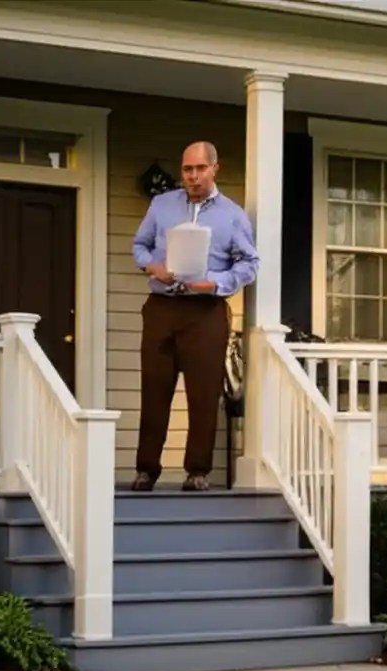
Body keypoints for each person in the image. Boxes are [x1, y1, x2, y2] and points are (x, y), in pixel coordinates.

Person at [130, 141, 259, 491]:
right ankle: (146, 470)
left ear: (214, 169)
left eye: (200, 168)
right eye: (187, 169)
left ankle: (197, 472)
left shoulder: (232, 214)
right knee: (154, 389)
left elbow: (249, 263)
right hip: (162, 309)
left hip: (205, 311)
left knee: (202, 395)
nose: (193, 176)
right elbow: (139, 245)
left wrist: (213, 283)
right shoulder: (161, 205)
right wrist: (151, 266)